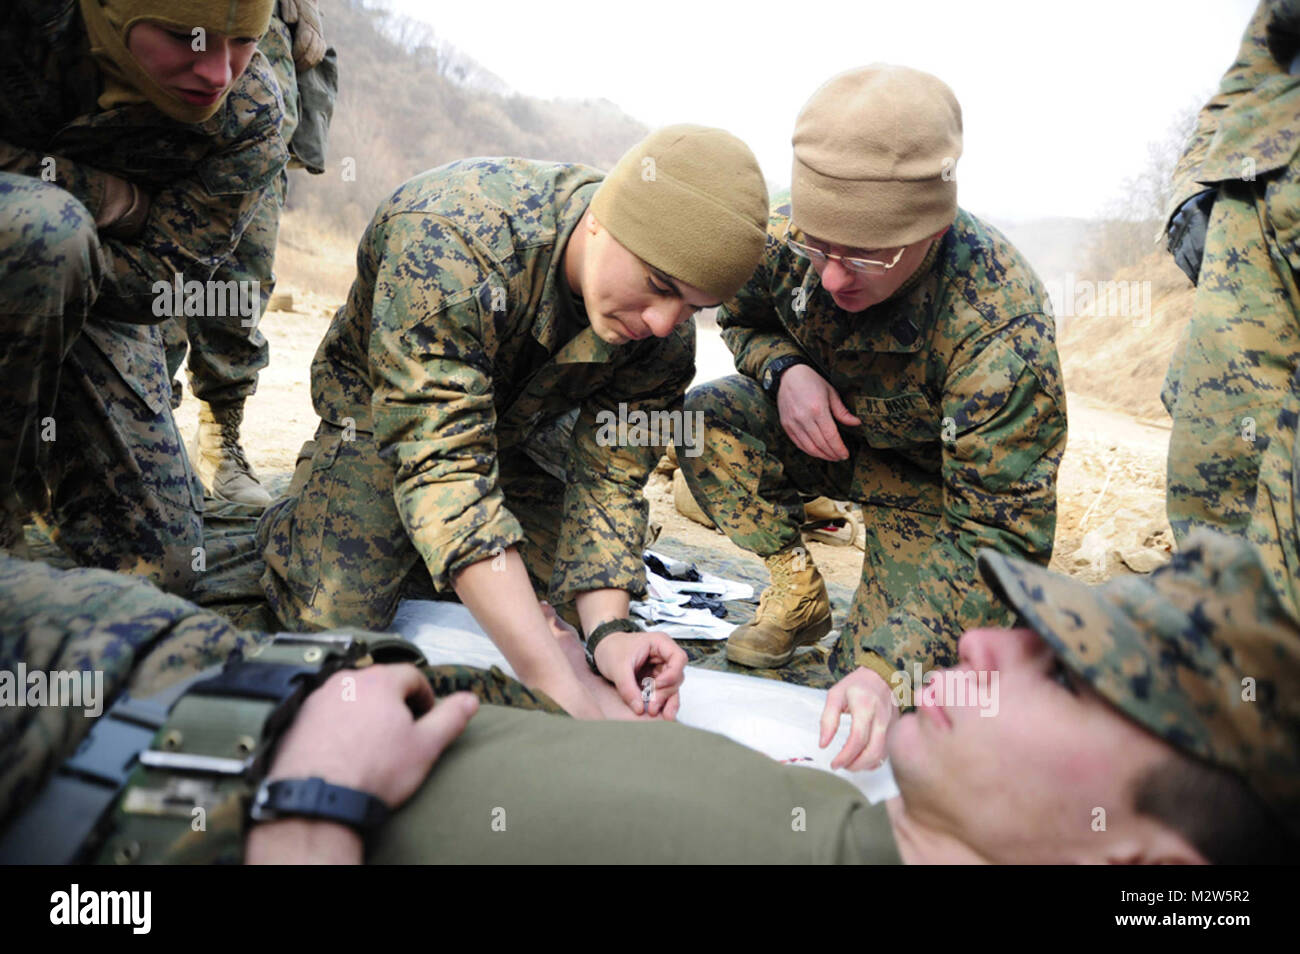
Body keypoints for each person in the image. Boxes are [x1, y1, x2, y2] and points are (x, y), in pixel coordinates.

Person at [5, 528, 1293, 864]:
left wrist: (309, 815)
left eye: (1063, 672)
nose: (975, 641)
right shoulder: (856, 825)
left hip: (99, 801)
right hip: (172, 670)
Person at [257, 125, 771, 719]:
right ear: (604, 219)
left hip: (520, 433)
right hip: (390, 425)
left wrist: (609, 635)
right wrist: (553, 681)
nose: (663, 322)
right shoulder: (451, 238)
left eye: (693, 307)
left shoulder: (663, 336)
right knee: (336, 625)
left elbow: (610, 479)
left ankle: (445, 561)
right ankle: (304, 518)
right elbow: (442, 466)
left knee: (565, 599)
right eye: (658, 286)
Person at [676, 65, 1067, 769]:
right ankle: (796, 591)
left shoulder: (1000, 327)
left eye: (861, 256)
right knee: (705, 418)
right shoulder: (784, 233)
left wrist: (892, 666)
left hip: (933, 497)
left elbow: (1001, 536)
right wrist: (782, 370)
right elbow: (741, 314)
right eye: (817, 249)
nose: (829, 277)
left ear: (932, 227)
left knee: (866, 699)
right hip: (828, 443)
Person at [0, 0, 289, 594]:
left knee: (162, 568)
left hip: (87, 297)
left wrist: (70, 253)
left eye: (243, 42)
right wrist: (110, 199)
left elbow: (160, 282)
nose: (217, 74)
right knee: (45, 233)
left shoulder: (249, 110)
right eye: (188, 38)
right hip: (42, 248)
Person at [164, 0, 339, 507]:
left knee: (244, 274)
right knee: (164, 269)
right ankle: (149, 422)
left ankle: (220, 439)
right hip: (173, 38)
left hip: (262, 48)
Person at [1161, 0, 1300, 622]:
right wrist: (1192, 189)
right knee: (1215, 438)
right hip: (1262, 185)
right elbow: (1258, 53)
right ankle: (1231, 659)